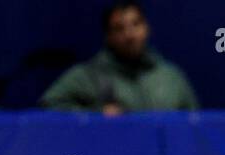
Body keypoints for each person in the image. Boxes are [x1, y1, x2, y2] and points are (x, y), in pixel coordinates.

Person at [40, 1, 198, 113]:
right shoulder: (88, 75)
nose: (129, 35)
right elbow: (48, 106)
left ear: (147, 28)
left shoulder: (171, 77)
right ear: (108, 36)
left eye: (136, 24)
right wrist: (96, 114)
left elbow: (195, 126)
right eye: (119, 28)